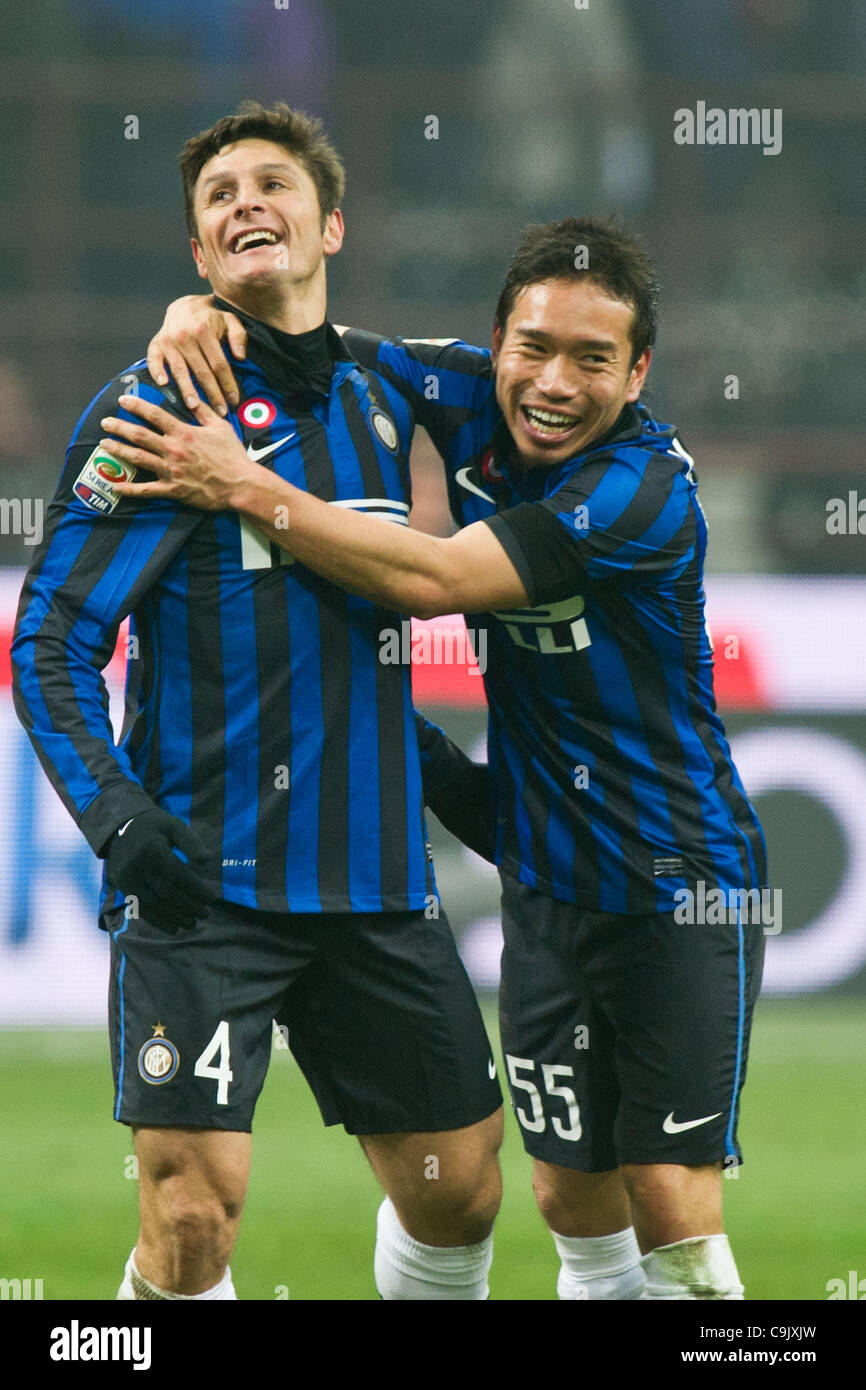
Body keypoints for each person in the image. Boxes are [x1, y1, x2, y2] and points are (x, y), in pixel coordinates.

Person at [114, 212, 768, 1301]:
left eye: (591, 359)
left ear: (637, 370)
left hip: (674, 883)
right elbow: (310, 336)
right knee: (567, 1197)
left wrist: (244, 486)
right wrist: (203, 315)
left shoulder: (636, 492)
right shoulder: (461, 389)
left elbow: (426, 583)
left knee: (670, 1205)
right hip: (545, 882)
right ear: (495, 343)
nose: (553, 382)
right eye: (532, 348)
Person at [11, 101, 505, 1303]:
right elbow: (51, 638)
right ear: (196, 256)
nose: (244, 200)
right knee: (192, 1218)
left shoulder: (396, 384)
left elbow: (551, 382)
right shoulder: (156, 411)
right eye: (217, 194)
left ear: (330, 222)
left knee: (459, 1189)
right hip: (203, 878)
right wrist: (116, 817)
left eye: (271, 183)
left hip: (373, 879)